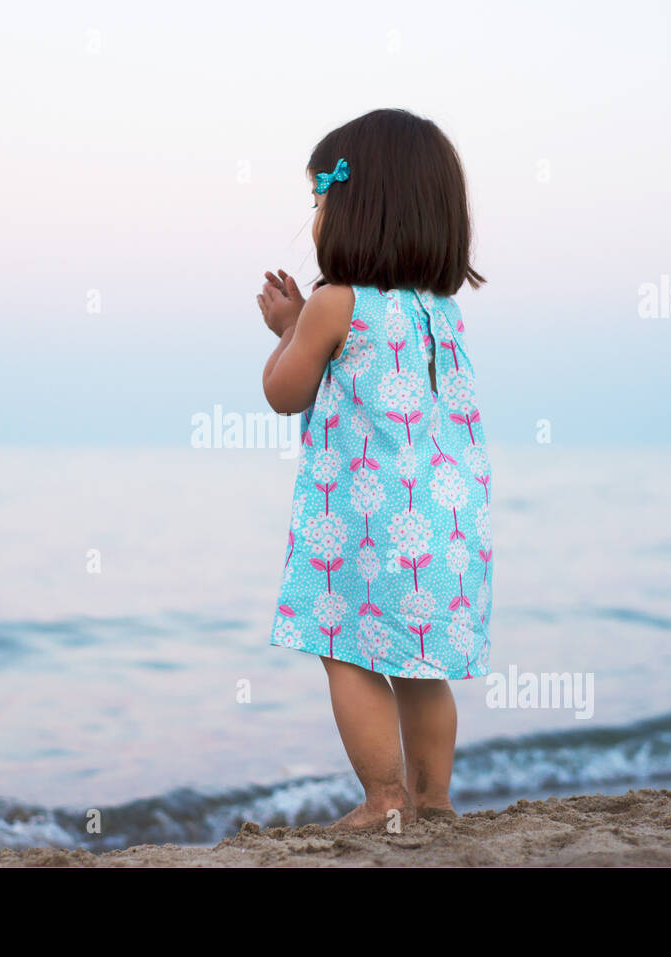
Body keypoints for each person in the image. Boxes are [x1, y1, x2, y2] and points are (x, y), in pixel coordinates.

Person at [258, 108, 493, 831]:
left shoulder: (336, 304)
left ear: (358, 206)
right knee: (420, 665)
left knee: (346, 652)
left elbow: (282, 392)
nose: (315, 215)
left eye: (318, 198)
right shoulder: (439, 310)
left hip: (364, 524)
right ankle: (433, 802)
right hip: (446, 525)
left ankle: (385, 796)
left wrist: (289, 330)